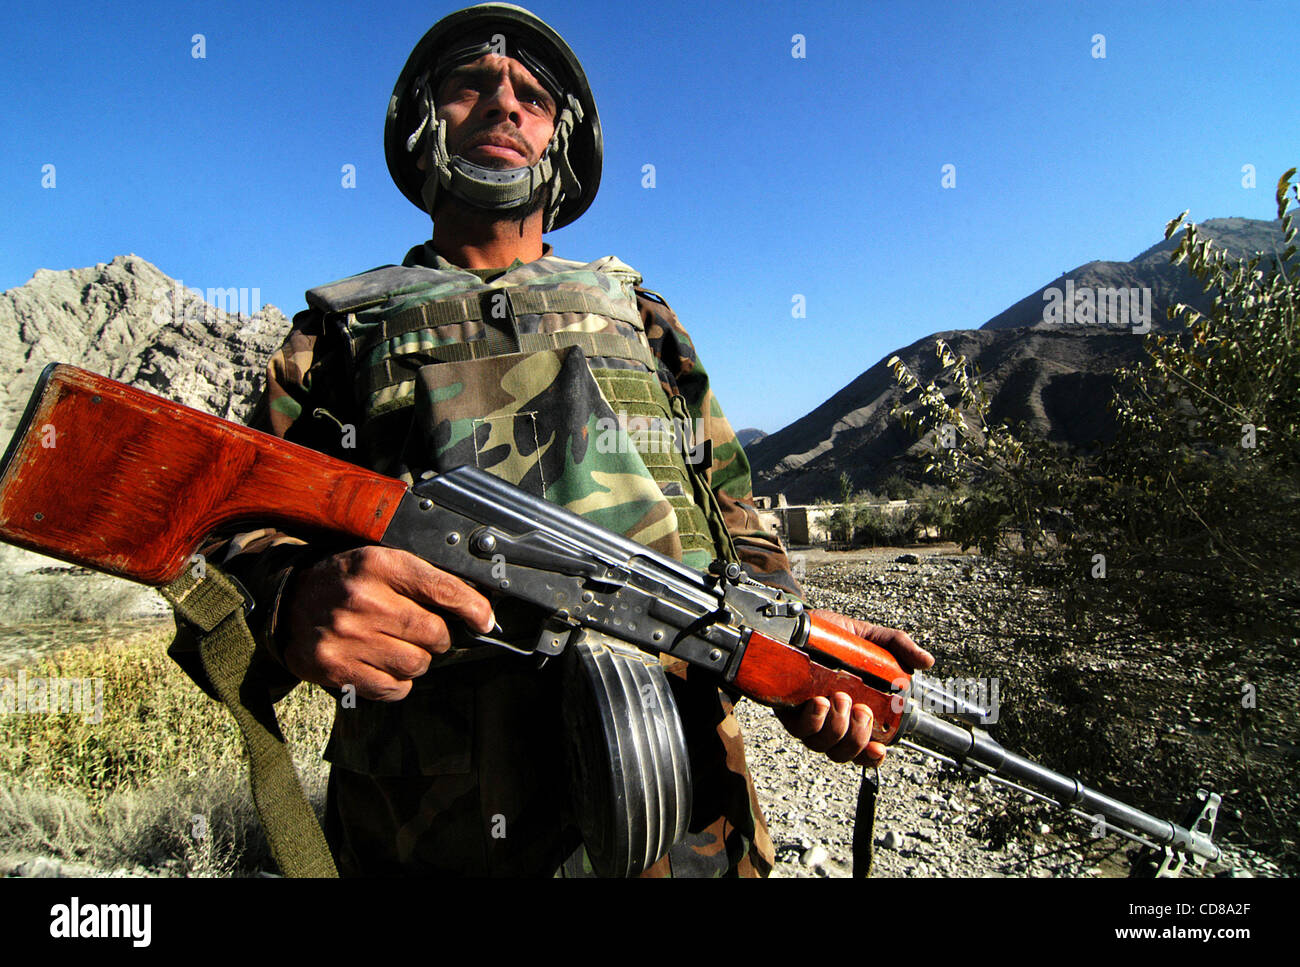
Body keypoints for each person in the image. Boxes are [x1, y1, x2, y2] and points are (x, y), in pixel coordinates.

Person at [169, 2, 932, 877]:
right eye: (470, 86)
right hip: (430, 830)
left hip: (678, 817)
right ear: (422, 122)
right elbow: (217, 532)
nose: (504, 106)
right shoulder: (338, 339)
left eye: (533, 96)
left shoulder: (642, 322)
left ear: (561, 141)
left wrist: (795, 650)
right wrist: (292, 597)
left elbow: (733, 520)